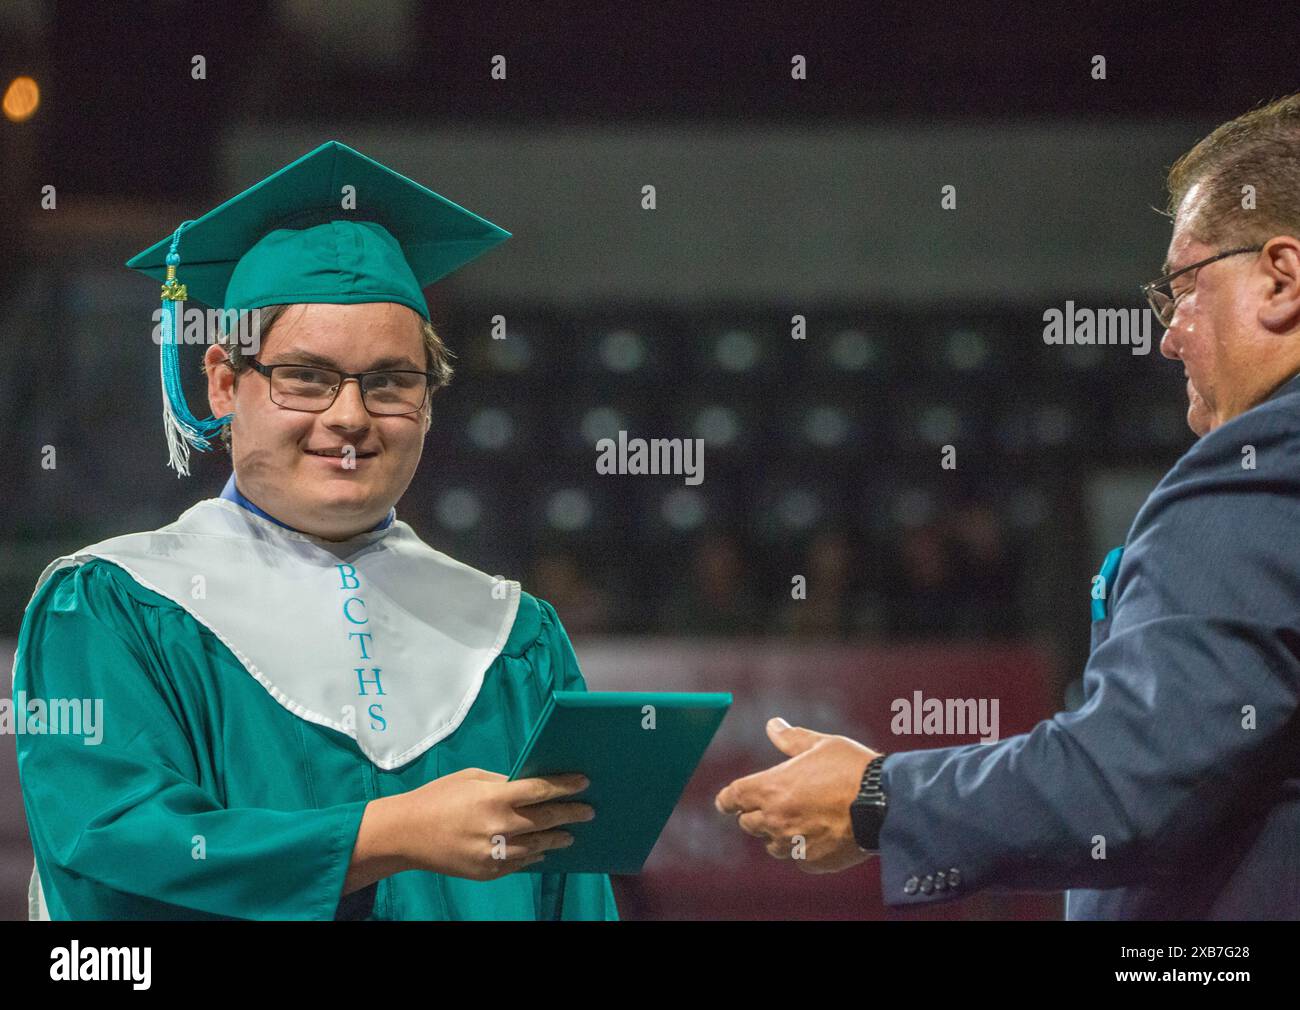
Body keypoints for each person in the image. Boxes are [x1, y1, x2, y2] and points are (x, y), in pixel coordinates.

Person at [715, 94, 1300, 919]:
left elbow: (1125, 781)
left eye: (1184, 288)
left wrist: (881, 796)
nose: (1169, 336)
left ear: (1281, 278)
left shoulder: (1261, 468)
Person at [12, 141, 617, 921]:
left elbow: (576, 901)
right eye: (307, 377)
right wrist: (387, 833)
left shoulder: (513, 639)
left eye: (392, 382)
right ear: (225, 383)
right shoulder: (113, 607)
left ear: (428, 402)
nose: (351, 418)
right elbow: (112, 855)